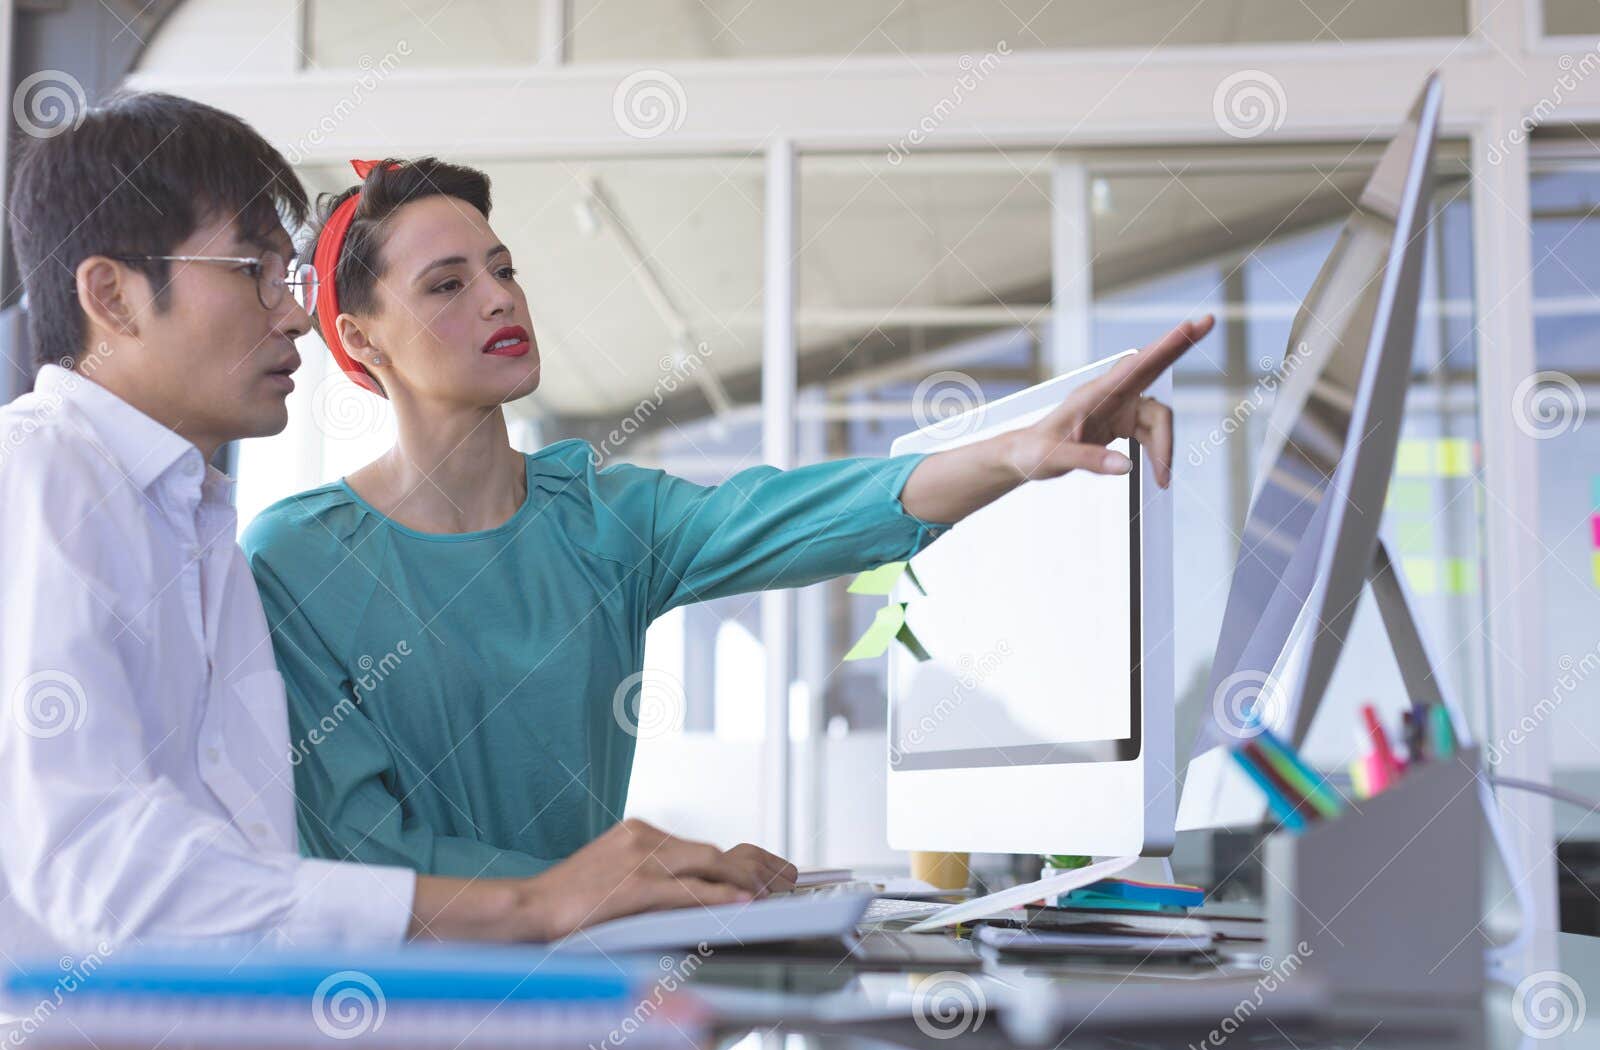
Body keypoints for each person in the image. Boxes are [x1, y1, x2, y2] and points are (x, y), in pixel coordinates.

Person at [0, 92, 795, 984]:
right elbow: (95, 863)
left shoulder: (192, 521)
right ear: (112, 295)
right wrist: (538, 903)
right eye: (251, 272)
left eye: (288, 279)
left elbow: (245, 883)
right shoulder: (38, 476)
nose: (291, 314)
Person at [241, 155, 1213, 879]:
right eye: (448, 284)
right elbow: (369, 861)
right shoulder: (298, 557)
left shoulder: (603, 520)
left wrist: (1014, 453)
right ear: (361, 340)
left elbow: (810, 513)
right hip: (399, 1027)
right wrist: (636, 883)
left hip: (594, 996)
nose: (500, 295)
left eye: (503, 267)